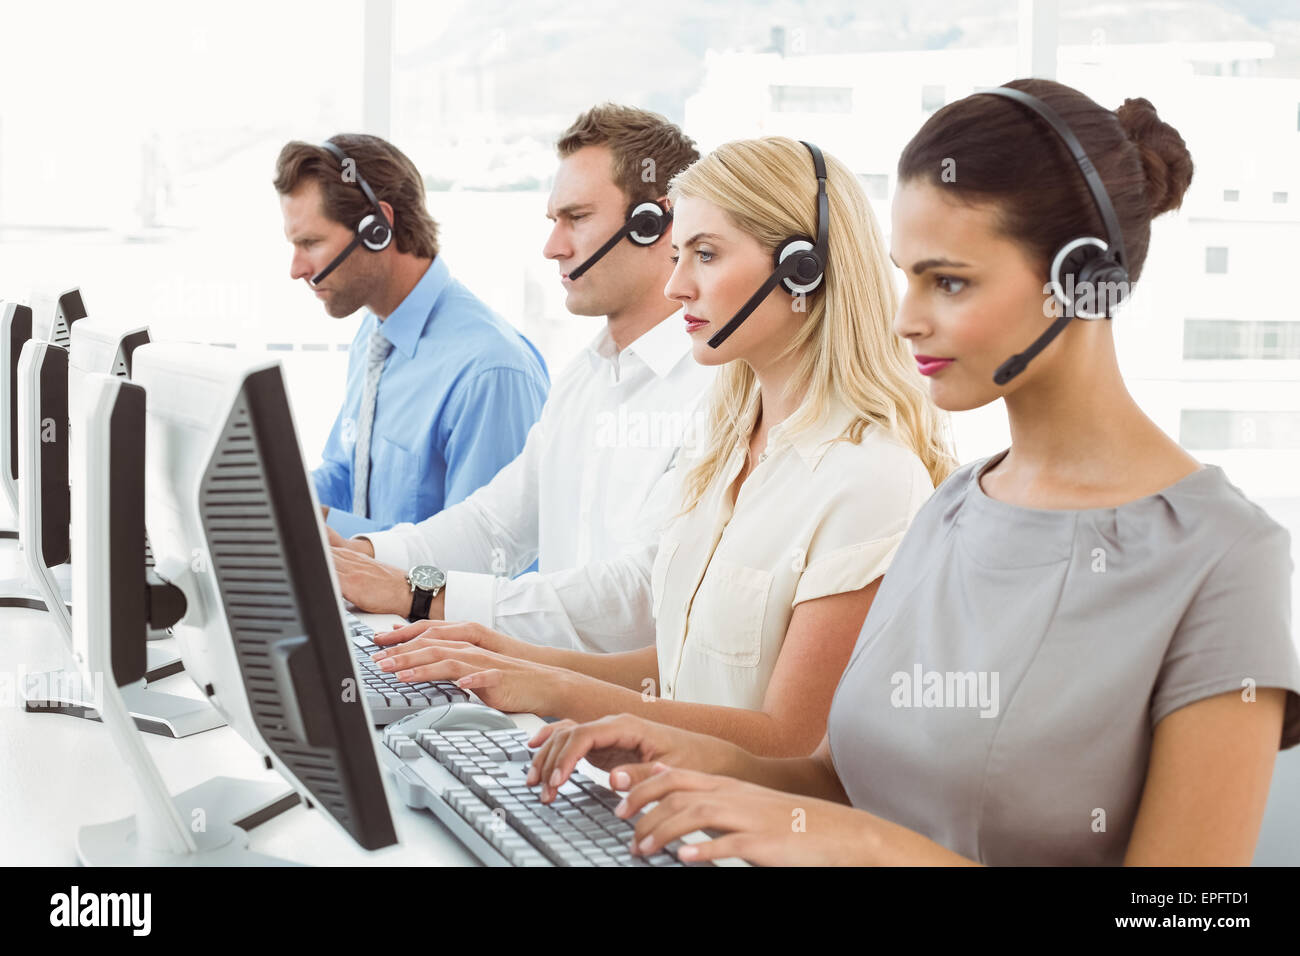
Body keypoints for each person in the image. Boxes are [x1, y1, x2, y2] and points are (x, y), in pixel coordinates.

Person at [521, 79, 1300, 866]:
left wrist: (865, 845)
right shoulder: (955, 505)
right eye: (908, 275)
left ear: (1082, 280)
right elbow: (833, 779)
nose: (904, 318)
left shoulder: (1221, 555)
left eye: (949, 281)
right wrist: (682, 751)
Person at [363, 137, 955, 759]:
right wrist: (499, 653)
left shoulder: (868, 479)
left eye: (704, 255)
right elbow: (679, 667)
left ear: (801, 268)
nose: (675, 287)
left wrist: (556, 688)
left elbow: (788, 743)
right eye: (676, 256)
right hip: (663, 806)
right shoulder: (726, 445)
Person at [328, 105, 713, 648]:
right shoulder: (584, 378)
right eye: (553, 221)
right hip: (540, 712)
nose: (553, 246)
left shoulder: (717, 389)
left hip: (631, 721)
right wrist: (360, 556)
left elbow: (640, 596)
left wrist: (416, 596)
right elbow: (494, 528)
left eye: (576, 218)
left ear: (656, 223)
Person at [276, 133, 549, 538]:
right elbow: (347, 472)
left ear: (377, 228)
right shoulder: (374, 330)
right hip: (361, 599)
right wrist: (276, 506)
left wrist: (321, 525)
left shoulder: (490, 372)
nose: (296, 269)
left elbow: (482, 566)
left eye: (311, 243)